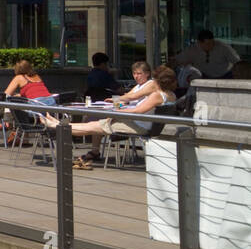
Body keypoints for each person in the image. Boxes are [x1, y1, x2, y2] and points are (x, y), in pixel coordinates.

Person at [42, 65, 177, 168]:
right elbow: (135, 104)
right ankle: (58, 123)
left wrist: (118, 112)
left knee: (93, 126)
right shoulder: (171, 95)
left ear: (157, 81)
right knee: (95, 125)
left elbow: (137, 111)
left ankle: (57, 125)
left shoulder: (157, 95)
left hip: (140, 126)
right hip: (143, 125)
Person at [174, 29, 239, 80]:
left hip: (225, 76)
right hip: (204, 76)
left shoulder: (223, 47)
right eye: (207, 44)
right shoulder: (192, 50)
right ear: (199, 43)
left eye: (212, 43)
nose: (211, 46)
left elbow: (237, 62)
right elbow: (176, 60)